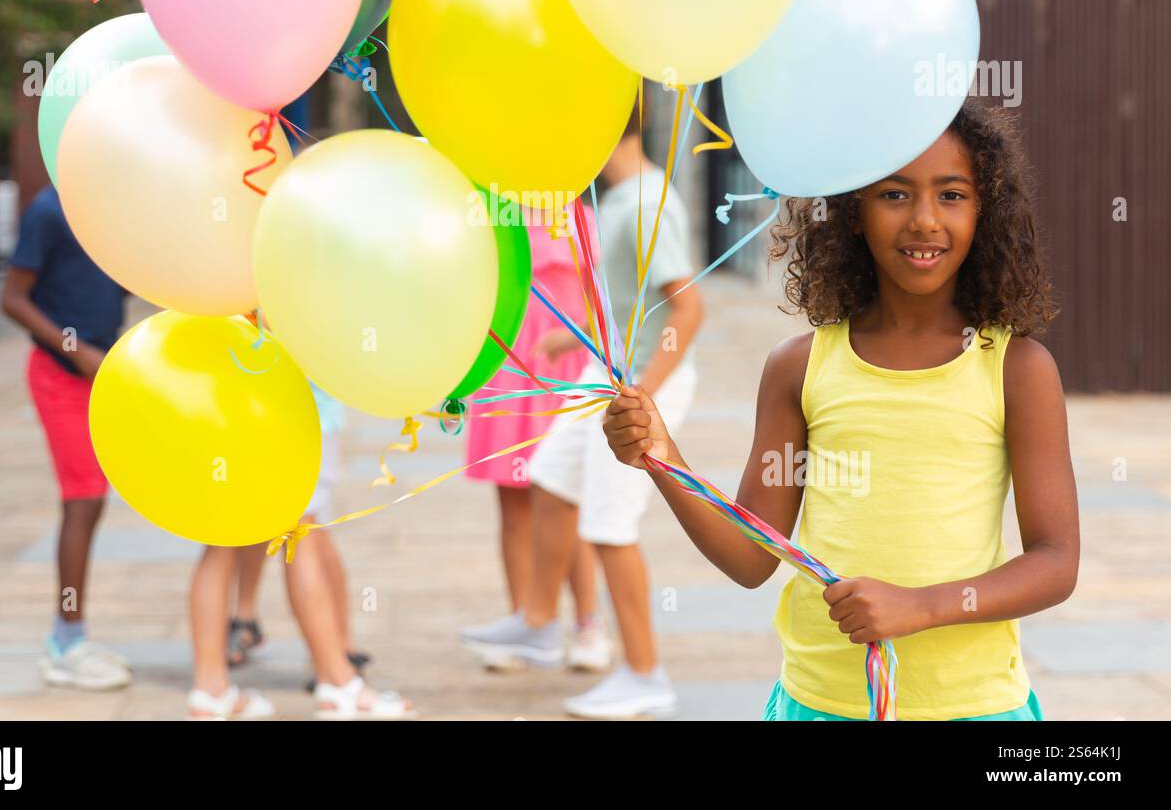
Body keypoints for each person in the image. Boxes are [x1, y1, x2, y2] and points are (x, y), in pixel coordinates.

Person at [605, 100, 1080, 720]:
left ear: (985, 209)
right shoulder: (798, 368)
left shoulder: (1016, 368)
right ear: (853, 211)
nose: (924, 220)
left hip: (971, 704)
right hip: (820, 702)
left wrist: (923, 605)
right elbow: (752, 557)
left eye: (953, 195)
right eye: (894, 195)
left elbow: (1056, 561)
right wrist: (664, 458)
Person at [461, 107, 704, 718]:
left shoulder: (649, 204)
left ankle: (646, 673)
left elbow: (689, 311)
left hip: (641, 386)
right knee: (547, 476)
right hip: (607, 372)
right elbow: (630, 301)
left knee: (608, 526)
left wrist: (643, 393)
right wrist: (574, 340)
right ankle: (540, 622)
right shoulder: (620, 199)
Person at [186, 386, 414, 720]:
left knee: (220, 538)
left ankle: (210, 690)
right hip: (295, 405)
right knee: (302, 529)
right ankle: (338, 682)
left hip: (227, 403)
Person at [459, 210, 611, 673]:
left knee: (565, 497)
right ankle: (526, 624)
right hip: (504, 366)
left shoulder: (581, 216)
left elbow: (608, 297)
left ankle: (588, 623)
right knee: (513, 505)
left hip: (561, 367)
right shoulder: (491, 213)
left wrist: (575, 333)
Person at [1, 184, 129, 690]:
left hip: (103, 371)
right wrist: (75, 351)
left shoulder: (113, 208)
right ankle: (66, 641)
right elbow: (11, 298)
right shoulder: (49, 211)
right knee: (84, 500)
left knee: (93, 499)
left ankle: (71, 635)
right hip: (61, 374)